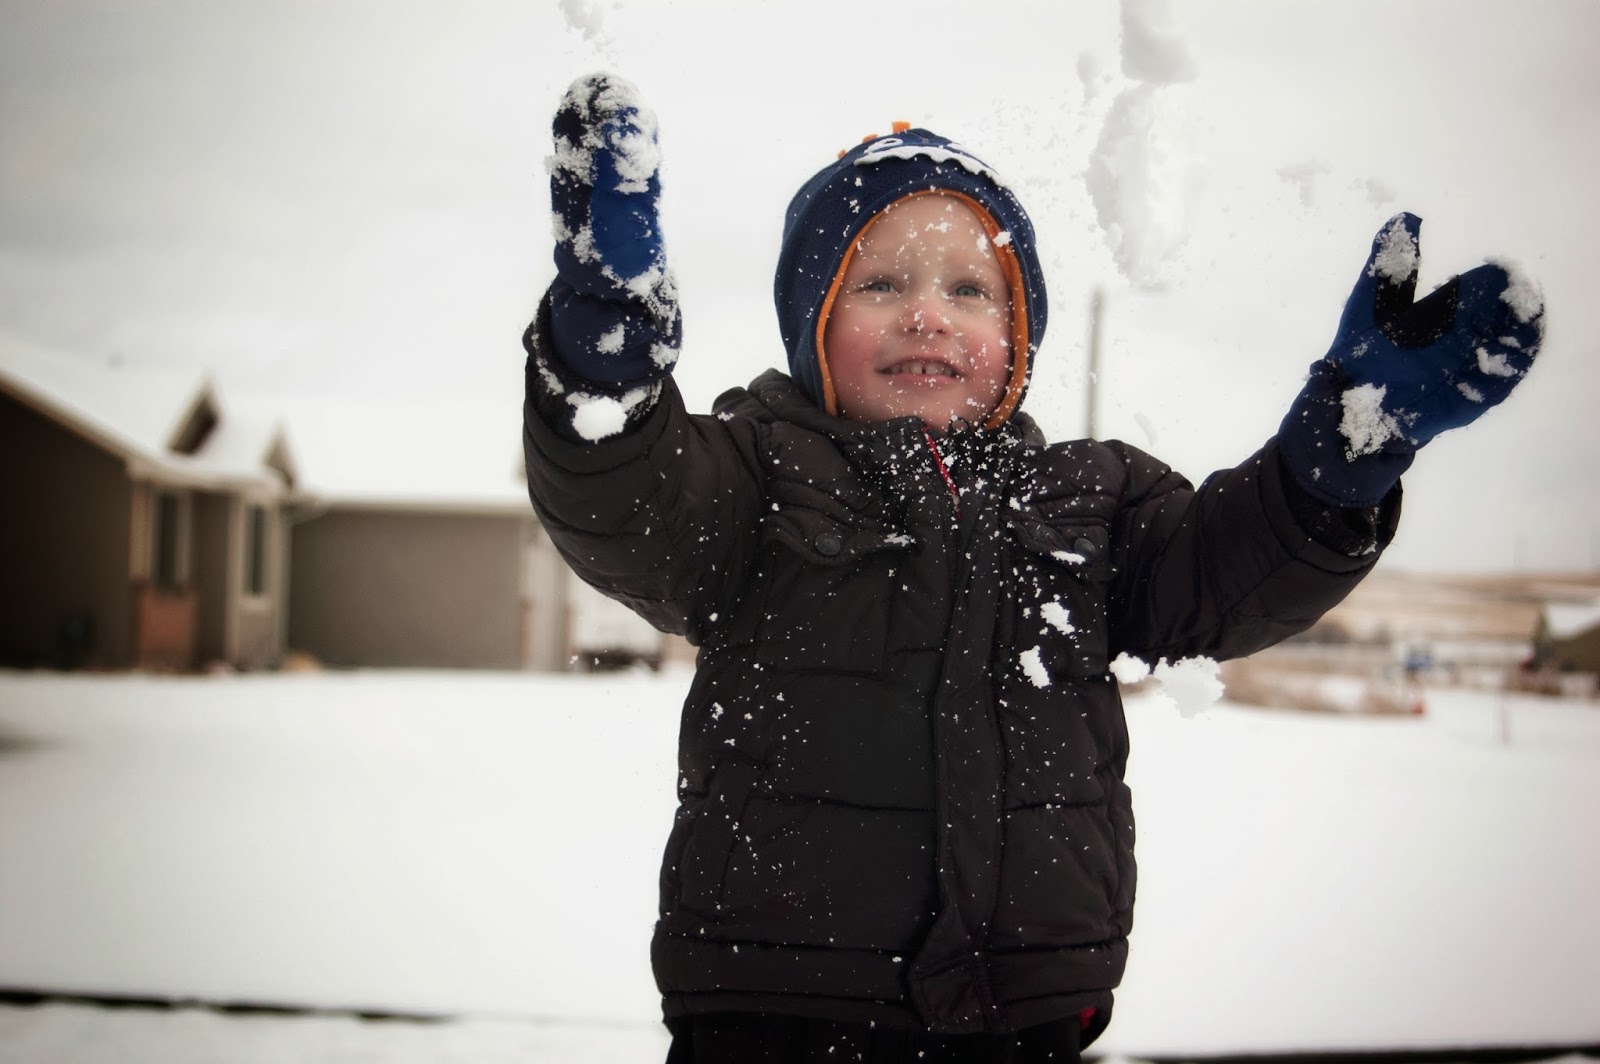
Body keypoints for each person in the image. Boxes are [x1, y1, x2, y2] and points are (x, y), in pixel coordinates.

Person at [521, 74, 1543, 1063]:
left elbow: (1222, 577)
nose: (928, 312)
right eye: (880, 283)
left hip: (1026, 1004)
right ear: (812, 325)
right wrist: (602, 368)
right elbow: (628, 500)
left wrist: (1335, 464)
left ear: (1016, 339)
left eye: (970, 289)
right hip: (781, 999)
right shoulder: (753, 475)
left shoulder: (1090, 499)